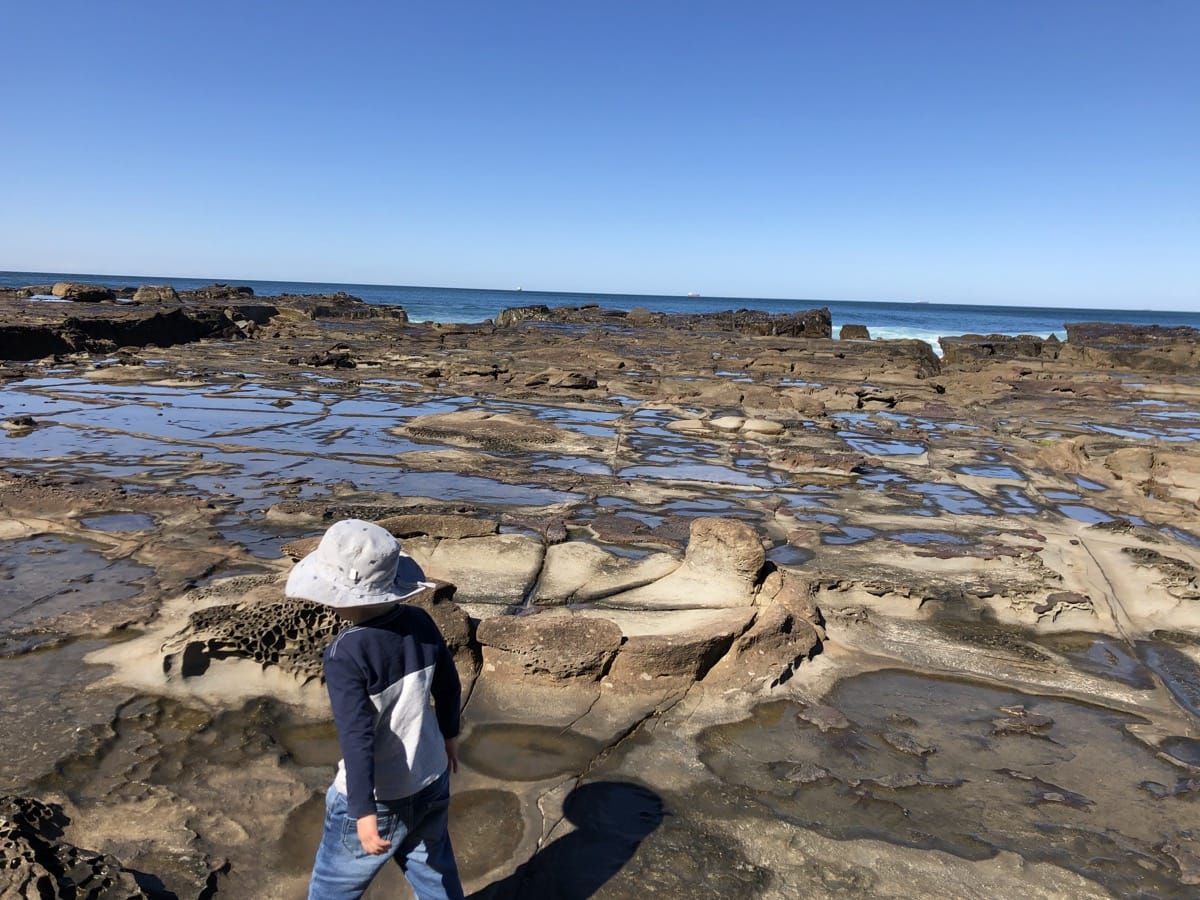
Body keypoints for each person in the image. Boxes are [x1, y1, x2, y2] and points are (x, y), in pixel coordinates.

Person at [286, 518, 465, 900]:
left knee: (333, 888)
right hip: (431, 776)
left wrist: (362, 810)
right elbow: (449, 686)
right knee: (435, 873)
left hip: (379, 797)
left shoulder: (345, 653)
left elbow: (357, 737)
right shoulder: (420, 621)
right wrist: (450, 736)